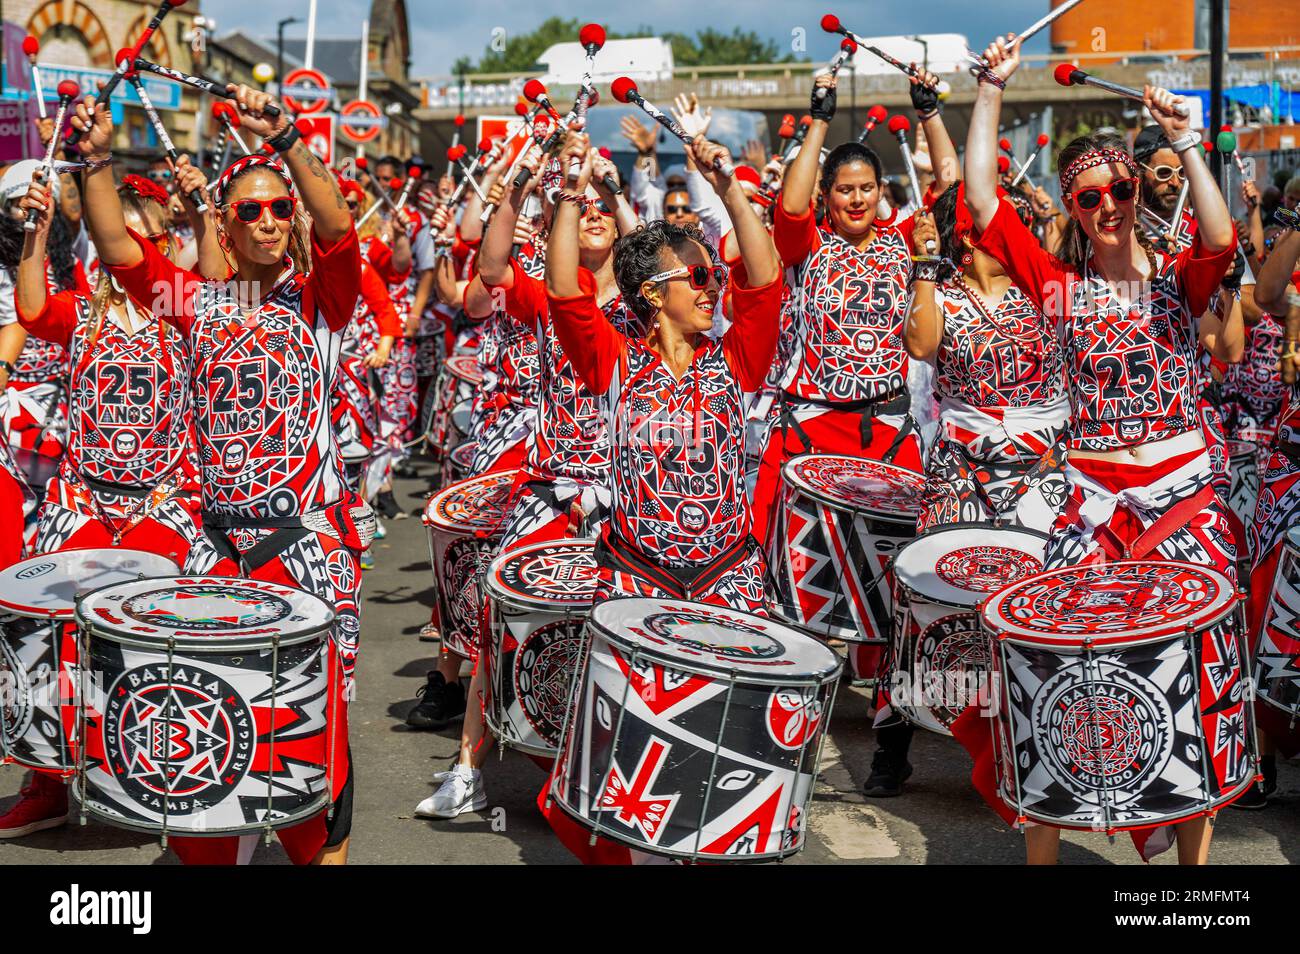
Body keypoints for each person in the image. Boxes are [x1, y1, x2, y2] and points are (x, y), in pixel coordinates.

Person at [73, 83, 366, 866]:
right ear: (225, 230)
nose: (268, 220)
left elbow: (337, 226)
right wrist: (94, 160)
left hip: (306, 546)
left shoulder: (322, 302)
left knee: (314, 742)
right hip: (216, 553)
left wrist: (290, 142)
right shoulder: (195, 301)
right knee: (207, 725)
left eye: (278, 209)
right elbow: (117, 250)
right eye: (249, 212)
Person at [962, 32, 1236, 865]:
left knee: (1195, 698)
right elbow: (979, 198)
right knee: (1064, 687)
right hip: (1096, 514)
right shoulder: (1056, 288)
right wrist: (991, 91)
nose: (1110, 203)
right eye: (1089, 197)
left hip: (1185, 509)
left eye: (1120, 188)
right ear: (1073, 211)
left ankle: (1189, 889)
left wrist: (1185, 143)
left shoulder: (1176, 279)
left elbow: (1222, 241)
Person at [549, 133, 782, 612]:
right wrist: (572, 192)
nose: (713, 287)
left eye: (714, 275)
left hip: (730, 581)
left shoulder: (734, 360)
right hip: (636, 582)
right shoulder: (614, 362)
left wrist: (727, 186)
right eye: (698, 277)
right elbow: (564, 293)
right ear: (654, 295)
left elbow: (765, 279)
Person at [749, 64, 959, 545]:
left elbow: (950, 190)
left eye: (867, 188)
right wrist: (819, 118)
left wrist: (929, 112)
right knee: (792, 565)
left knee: (896, 563)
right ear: (828, 196)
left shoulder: (901, 241)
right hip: (809, 427)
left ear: (882, 192)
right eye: (845, 189)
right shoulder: (807, 245)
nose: (858, 199)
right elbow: (791, 206)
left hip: (886, 429)